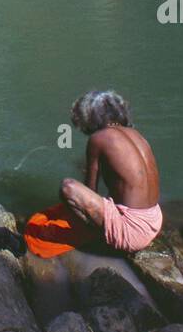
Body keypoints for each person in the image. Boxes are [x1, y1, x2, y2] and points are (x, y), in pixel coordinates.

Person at [60, 89, 163, 253]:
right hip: (155, 218)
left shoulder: (98, 139)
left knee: (68, 187)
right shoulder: (135, 134)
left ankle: (88, 235)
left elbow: (90, 189)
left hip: (133, 232)